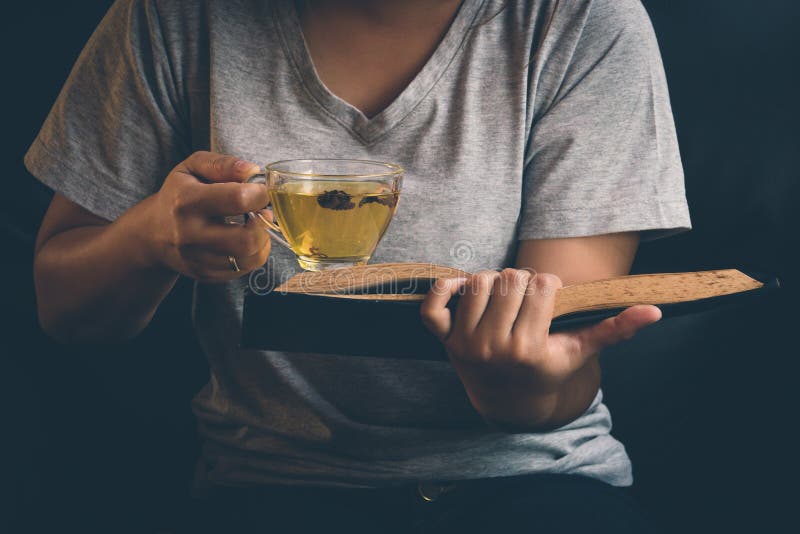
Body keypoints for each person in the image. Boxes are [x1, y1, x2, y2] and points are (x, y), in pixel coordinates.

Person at [25, 0, 691, 531]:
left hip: (529, 479)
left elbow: (562, 362)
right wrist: (148, 239)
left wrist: (517, 384)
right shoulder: (172, 17)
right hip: (273, 482)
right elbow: (64, 310)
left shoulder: (580, 21)